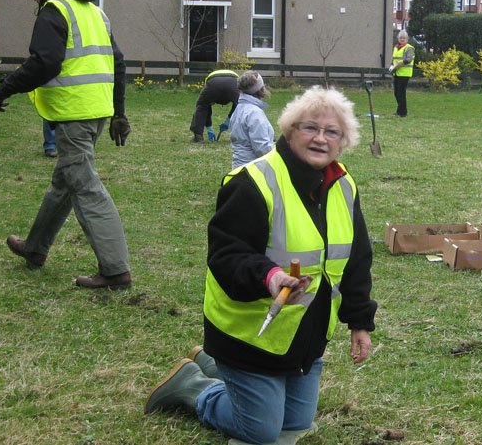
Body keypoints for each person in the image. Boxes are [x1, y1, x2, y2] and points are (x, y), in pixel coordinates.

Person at [144, 86, 377, 444]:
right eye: (310, 127)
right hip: (249, 336)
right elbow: (226, 255)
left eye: (332, 132)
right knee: (261, 431)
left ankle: (211, 366)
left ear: (343, 142)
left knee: (296, 424)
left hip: (303, 338)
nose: (320, 138)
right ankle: (194, 386)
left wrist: (359, 321)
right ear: (289, 130)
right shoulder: (252, 182)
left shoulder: (343, 185)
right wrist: (268, 276)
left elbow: (356, 259)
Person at [0, 0, 133, 290]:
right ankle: (35, 248)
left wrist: (4, 89)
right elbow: (119, 63)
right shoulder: (95, 12)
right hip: (95, 113)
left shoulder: (54, 10)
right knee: (64, 182)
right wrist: (118, 112)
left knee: (85, 187)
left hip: (73, 114)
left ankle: (116, 270)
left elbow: (45, 62)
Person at [228, 71, 274, 170]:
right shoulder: (255, 113)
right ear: (260, 89)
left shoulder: (239, 109)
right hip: (253, 169)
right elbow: (262, 148)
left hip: (238, 166)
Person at [191, 69, 241, 143]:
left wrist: (209, 128)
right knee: (241, 105)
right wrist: (228, 120)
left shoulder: (207, 81)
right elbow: (237, 106)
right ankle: (241, 136)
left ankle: (198, 136)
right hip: (233, 82)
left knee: (202, 106)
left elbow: (206, 107)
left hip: (213, 83)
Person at [390, 30, 415, 117]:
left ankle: (403, 112)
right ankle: (400, 111)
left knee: (401, 93)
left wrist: (400, 63)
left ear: (407, 39)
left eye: (404, 38)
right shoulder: (396, 47)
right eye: (401, 38)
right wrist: (391, 67)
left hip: (404, 74)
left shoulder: (409, 48)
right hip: (397, 73)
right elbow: (394, 59)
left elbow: (409, 59)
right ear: (398, 39)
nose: (402, 39)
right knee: (396, 93)